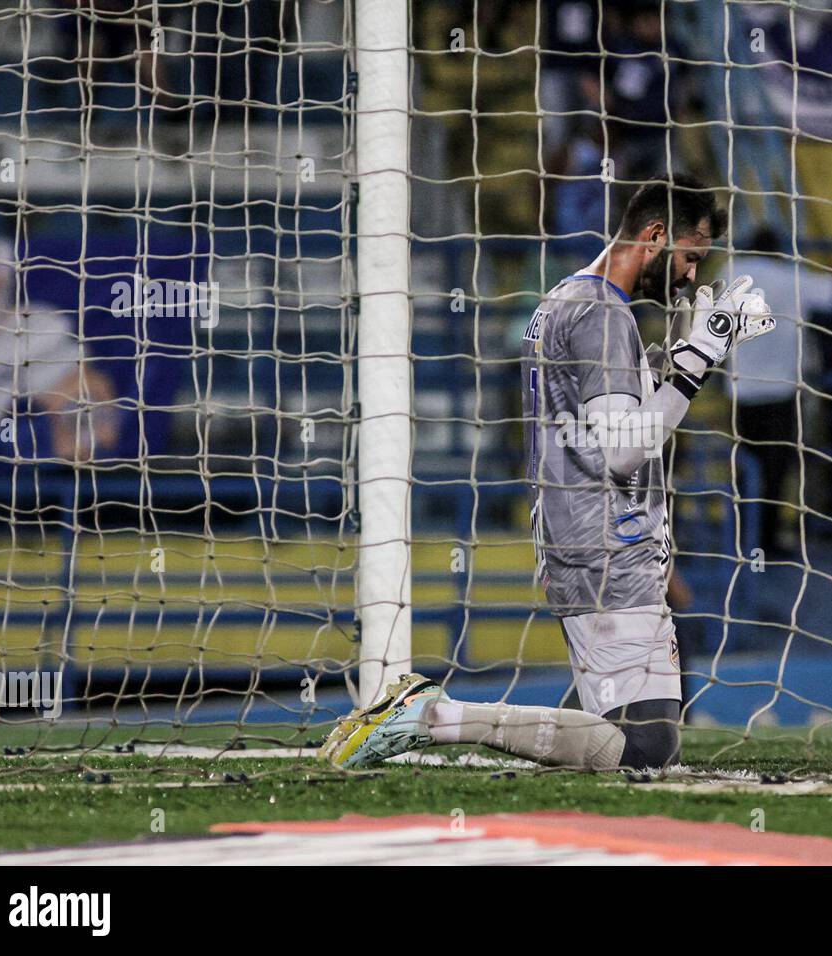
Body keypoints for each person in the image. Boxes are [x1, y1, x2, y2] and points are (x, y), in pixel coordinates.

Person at [321, 175, 774, 772]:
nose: (691, 276)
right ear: (655, 236)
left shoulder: (564, 299)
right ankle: (431, 717)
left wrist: (678, 358)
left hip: (581, 538)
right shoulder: (602, 314)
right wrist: (699, 358)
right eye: (691, 257)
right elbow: (621, 451)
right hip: (608, 546)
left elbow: (599, 419)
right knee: (645, 749)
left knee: (625, 733)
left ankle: (433, 717)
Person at [724, 227, 832, 557]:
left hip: (741, 389)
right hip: (779, 389)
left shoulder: (732, 272)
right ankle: (766, 541)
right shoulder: (792, 276)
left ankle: (743, 538)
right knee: (775, 469)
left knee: (747, 466)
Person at [0, 235, 117, 462]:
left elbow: (88, 397)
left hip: (3, 459)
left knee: (84, 392)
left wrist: (79, 442)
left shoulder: (37, 327)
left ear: (2, 276)